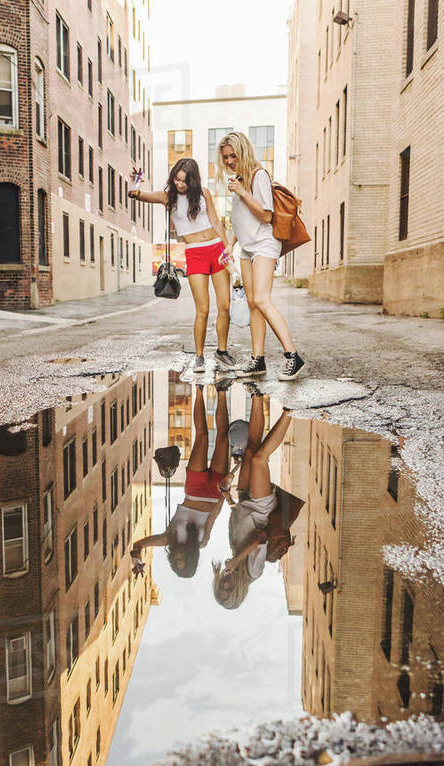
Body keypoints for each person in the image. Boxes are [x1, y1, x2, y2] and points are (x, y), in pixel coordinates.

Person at [129, 159, 236, 374]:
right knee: (203, 309)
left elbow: (216, 222)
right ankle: (199, 357)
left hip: (216, 249)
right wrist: (136, 182)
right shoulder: (168, 197)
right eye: (176, 179)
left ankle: (222, 351)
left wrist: (228, 250)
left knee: (224, 305)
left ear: (193, 180)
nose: (179, 184)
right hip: (195, 253)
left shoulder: (203, 193)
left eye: (184, 181)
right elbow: (135, 195)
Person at [218, 131, 307, 381]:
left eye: (233, 155)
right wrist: (231, 244)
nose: (229, 161)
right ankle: (258, 360)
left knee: (262, 299)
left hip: (265, 243)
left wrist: (243, 192)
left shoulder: (258, 175)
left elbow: (266, 215)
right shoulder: (241, 178)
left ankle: (293, 356)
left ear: (243, 152)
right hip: (247, 246)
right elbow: (242, 219)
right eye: (225, 157)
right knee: (252, 302)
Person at [130, 379, 235, 576]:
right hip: (214, 493)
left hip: (194, 490)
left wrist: (136, 559)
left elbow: (138, 544)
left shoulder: (169, 538)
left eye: (175, 560)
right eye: (183, 559)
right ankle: (221, 390)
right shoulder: (202, 542)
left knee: (202, 437)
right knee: (223, 438)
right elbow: (213, 516)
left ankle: (199, 389)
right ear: (191, 558)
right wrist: (224, 493)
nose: (178, 556)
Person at [212, 393, 301, 609]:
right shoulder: (253, 571)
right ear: (239, 591)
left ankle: (257, 395)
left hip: (243, 497)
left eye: (221, 587)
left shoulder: (233, 552)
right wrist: (238, 559)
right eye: (229, 590)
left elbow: (240, 522)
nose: (225, 585)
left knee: (251, 448)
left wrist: (228, 498)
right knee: (260, 458)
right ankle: (290, 412)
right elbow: (259, 538)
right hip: (261, 507)